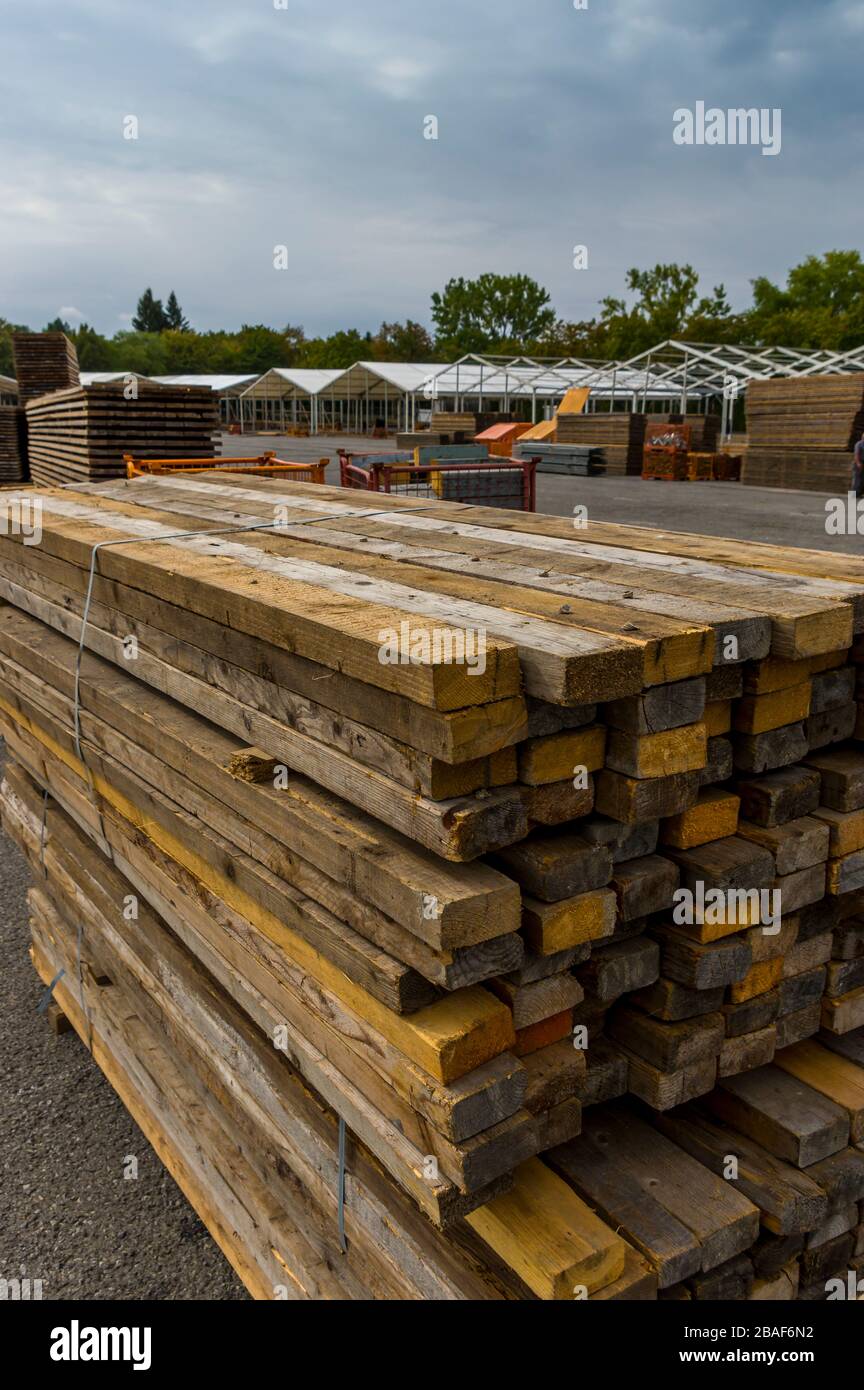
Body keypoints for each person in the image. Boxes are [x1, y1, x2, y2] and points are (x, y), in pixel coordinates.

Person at [854, 432, 864, 498]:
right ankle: (853, 495)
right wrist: (858, 463)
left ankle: (860, 493)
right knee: (857, 478)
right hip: (859, 462)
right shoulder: (859, 444)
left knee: (862, 479)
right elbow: (856, 455)